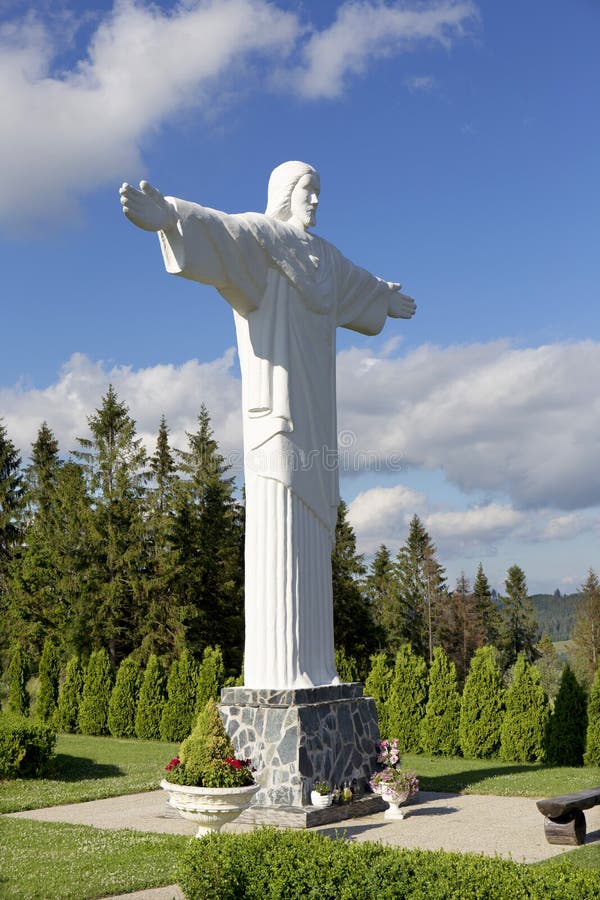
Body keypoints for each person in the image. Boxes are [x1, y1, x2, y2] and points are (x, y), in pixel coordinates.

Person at [120, 161, 416, 689]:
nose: (317, 201)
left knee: (314, 536)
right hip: (275, 415)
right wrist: (170, 218)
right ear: (285, 193)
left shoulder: (325, 259)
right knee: (281, 521)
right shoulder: (262, 240)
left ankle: (318, 670)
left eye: (320, 192)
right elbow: (220, 229)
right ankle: (279, 673)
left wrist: (384, 301)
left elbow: (357, 287)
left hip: (317, 415)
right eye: (308, 190)